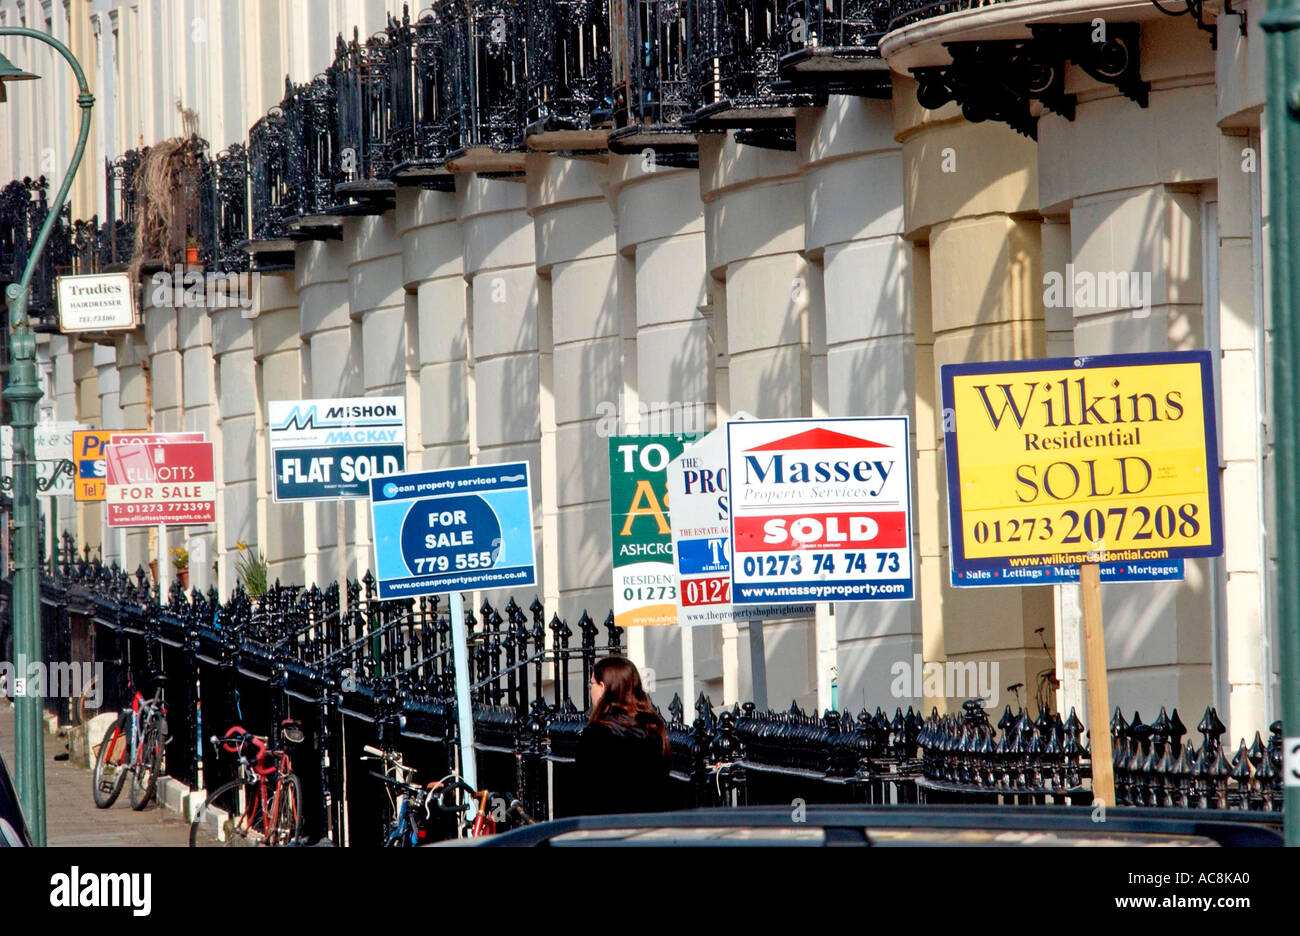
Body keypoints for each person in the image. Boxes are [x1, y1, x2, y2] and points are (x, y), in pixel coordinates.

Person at [574, 656, 670, 815]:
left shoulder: (597, 734)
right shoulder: (653, 728)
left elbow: (584, 791)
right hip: (649, 827)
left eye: (592, 684)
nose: (590, 690)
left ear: (603, 687)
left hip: (608, 828)